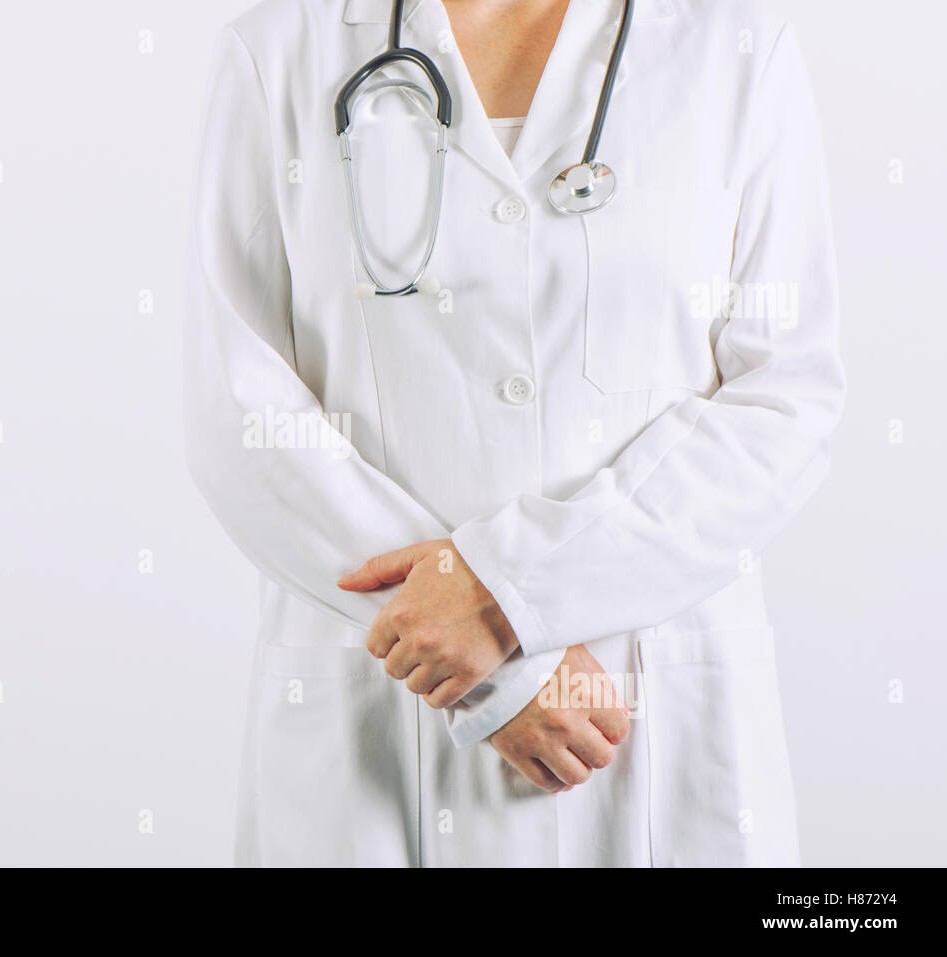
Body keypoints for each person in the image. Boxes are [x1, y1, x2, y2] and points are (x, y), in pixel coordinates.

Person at [185, 0, 844, 866]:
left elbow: (782, 399)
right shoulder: (279, 52)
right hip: (379, 735)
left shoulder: (733, 51)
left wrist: (507, 592)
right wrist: (496, 665)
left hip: (655, 729)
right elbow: (237, 416)